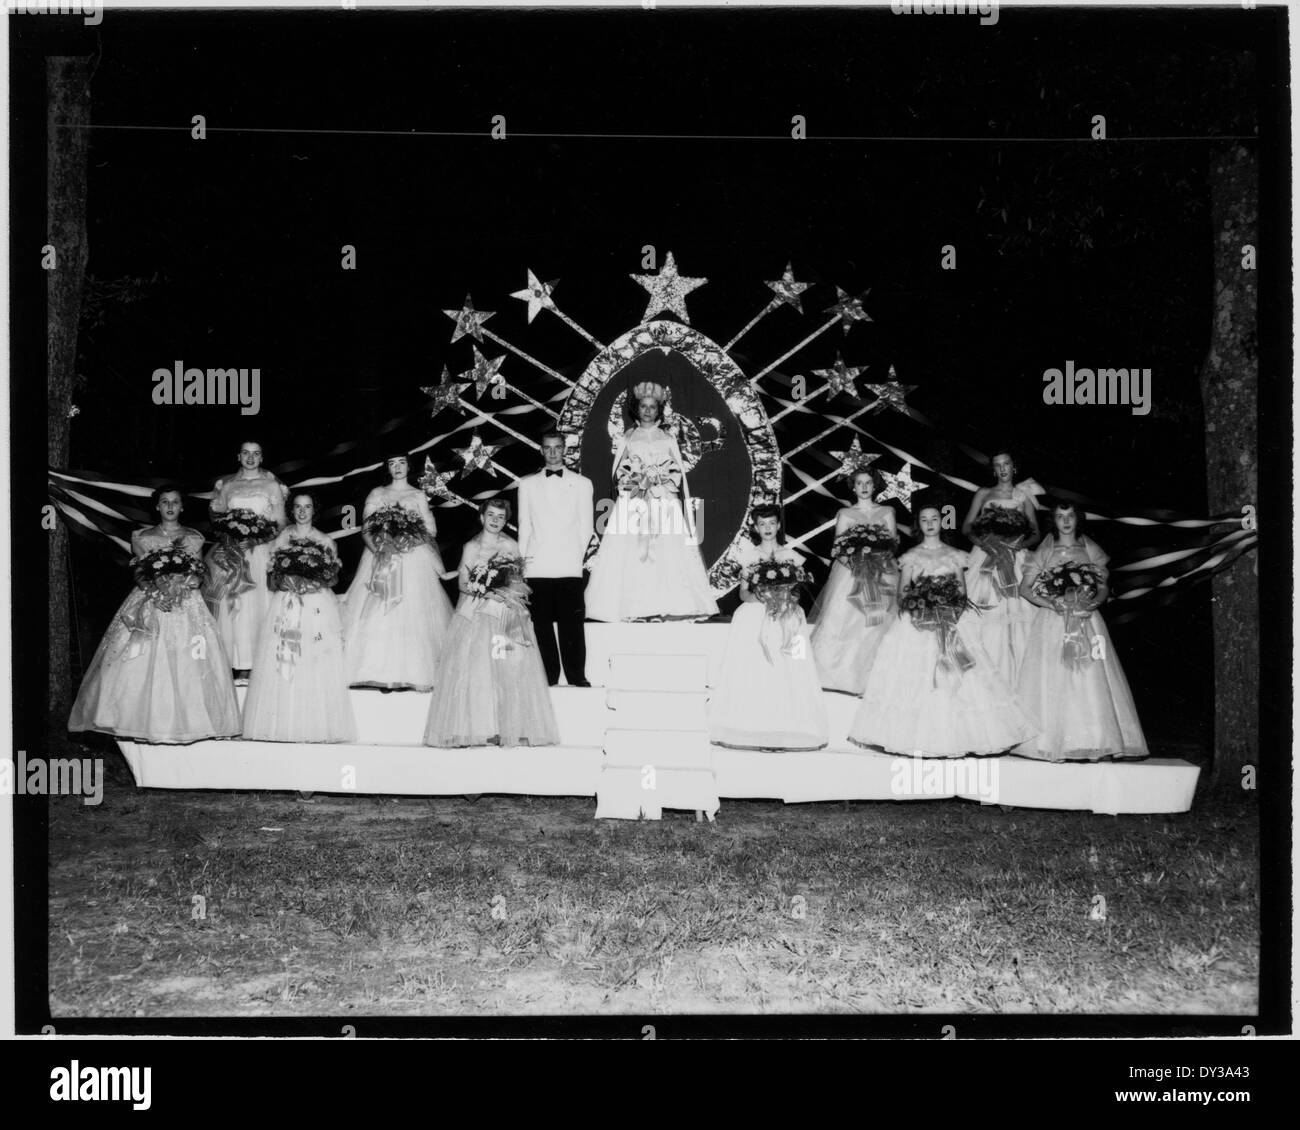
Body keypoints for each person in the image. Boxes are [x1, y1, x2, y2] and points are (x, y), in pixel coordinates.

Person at [848, 500, 1037, 758]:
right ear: (918, 525)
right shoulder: (911, 557)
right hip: (918, 624)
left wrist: (947, 615)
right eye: (924, 519)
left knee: (961, 678)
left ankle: (959, 738)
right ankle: (915, 738)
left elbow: (961, 593)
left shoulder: (955, 555)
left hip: (950, 622)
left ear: (942, 522)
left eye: (934, 518)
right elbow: (903, 593)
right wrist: (921, 608)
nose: (929, 524)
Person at [69, 486, 241, 743]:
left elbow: (200, 570)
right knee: (142, 657)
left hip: (186, 601)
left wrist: (187, 583)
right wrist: (155, 592)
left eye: (175, 502)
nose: (170, 507)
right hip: (152, 600)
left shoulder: (194, 537)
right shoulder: (142, 536)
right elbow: (140, 571)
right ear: (157, 507)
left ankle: (191, 723)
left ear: (182, 507)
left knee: (188, 660)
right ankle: (140, 722)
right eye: (164, 502)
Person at [1013, 500, 1149, 761]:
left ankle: (1095, 740)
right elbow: (1025, 589)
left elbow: (1102, 587)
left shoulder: (1089, 548)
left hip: (1086, 619)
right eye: (1060, 516)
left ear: (1078, 519)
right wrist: (1053, 602)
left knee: (1090, 678)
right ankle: (1052, 743)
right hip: (1054, 621)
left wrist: (1094, 602)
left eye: (1070, 516)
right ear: (1053, 520)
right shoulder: (1045, 550)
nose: (1065, 521)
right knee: (1055, 678)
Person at [424, 499, 560, 748]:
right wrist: (489, 592)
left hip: (506, 616)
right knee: (477, 674)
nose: (495, 520)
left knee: (511, 671)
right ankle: (479, 728)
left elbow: (520, 579)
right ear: (482, 517)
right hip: (476, 615)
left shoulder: (511, 544)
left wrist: (509, 592)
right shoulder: (471, 547)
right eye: (491, 515)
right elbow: (463, 584)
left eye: (500, 516)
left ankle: (509, 727)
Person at [584, 381, 719, 622]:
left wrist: (661, 480)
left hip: (663, 501)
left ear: (659, 410)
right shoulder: (628, 436)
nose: (647, 411)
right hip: (634, 501)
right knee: (632, 553)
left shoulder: (667, 438)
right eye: (644, 406)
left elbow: (676, 470)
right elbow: (619, 471)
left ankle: (671, 604)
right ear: (637, 408)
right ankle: (633, 607)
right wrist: (635, 479)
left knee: (668, 552)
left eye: (652, 407)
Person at [708, 505, 828, 751]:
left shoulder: (791, 556)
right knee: (757, 669)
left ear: (779, 525)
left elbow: (796, 591)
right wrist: (761, 596)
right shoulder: (749, 556)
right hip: (757, 615)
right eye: (762, 524)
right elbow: (743, 593)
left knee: (787, 669)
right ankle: (754, 727)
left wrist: (784, 597)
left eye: (772, 523)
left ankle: (787, 728)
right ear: (755, 527)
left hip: (784, 615)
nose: (767, 529)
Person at [242, 493, 357, 743]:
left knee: (314, 657)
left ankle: (315, 724)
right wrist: (289, 582)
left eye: (307, 507)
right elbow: (272, 577)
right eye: (297, 507)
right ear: (291, 510)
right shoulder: (282, 538)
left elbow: (332, 577)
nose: (302, 512)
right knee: (284, 658)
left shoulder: (324, 540)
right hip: (287, 601)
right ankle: (281, 724)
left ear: (314, 511)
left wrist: (311, 583)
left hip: (315, 604)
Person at [342, 452, 453, 691]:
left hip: (412, 560)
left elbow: (430, 530)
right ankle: (376, 671)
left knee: (412, 612)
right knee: (379, 610)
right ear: (387, 468)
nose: (397, 467)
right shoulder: (377, 494)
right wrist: (381, 550)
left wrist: (408, 539)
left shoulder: (417, 494)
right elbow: (367, 530)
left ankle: (412, 673)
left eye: (401, 462)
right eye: (392, 463)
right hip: (382, 559)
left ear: (408, 466)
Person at [808, 467, 900, 694]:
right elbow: (837, 549)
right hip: (852, 575)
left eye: (869, 482)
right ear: (853, 486)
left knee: (875, 625)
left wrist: (876, 562)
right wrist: (857, 566)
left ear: (875, 485)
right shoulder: (845, 514)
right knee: (844, 623)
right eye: (860, 483)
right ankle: (836, 677)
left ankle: (869, 680)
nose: (865, 487)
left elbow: (891, 545)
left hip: (880, 574)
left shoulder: (887, 511)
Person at [205, 440, 289, 680]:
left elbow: (280, 523)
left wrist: (255, 539)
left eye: (256, 454)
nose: (250, 458)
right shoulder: (227, 485)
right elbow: (218, 520)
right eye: (245, 453)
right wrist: (232, 538)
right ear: (238, 456)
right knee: (233, 607)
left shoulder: (271, 485)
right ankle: (235, 662)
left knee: (258, 603)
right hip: (232, 552)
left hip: (260, 552)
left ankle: (259, 663)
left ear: (261, 458)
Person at [517, 432, 594, 686]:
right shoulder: (526, 484)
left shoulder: (582, 483)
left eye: (557, 448)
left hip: (569, 565)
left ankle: (576, 676)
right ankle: (548, 677)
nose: (552, 453)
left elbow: (586, 527)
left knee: (572, 626)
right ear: (541, 450)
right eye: (547, 448)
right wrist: (524, 563)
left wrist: (574, 556)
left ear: (564, 450)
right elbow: (524, 526)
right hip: (537, 565)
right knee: (541, 626)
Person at [961, 449, 1040, 684]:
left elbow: (1035, 532)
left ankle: (1019, 678)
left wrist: (1016, 546)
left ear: (1013, 466)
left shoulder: (1024, 494)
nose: (1002, 469)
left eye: (1006, 463)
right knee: (984, 606)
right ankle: (985, 675)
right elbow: (966, 526)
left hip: (1014, 557)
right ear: (993, 469)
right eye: (997, 465)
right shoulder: (983, 493)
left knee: (1018, 611)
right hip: (986, 554)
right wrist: (984, 542)